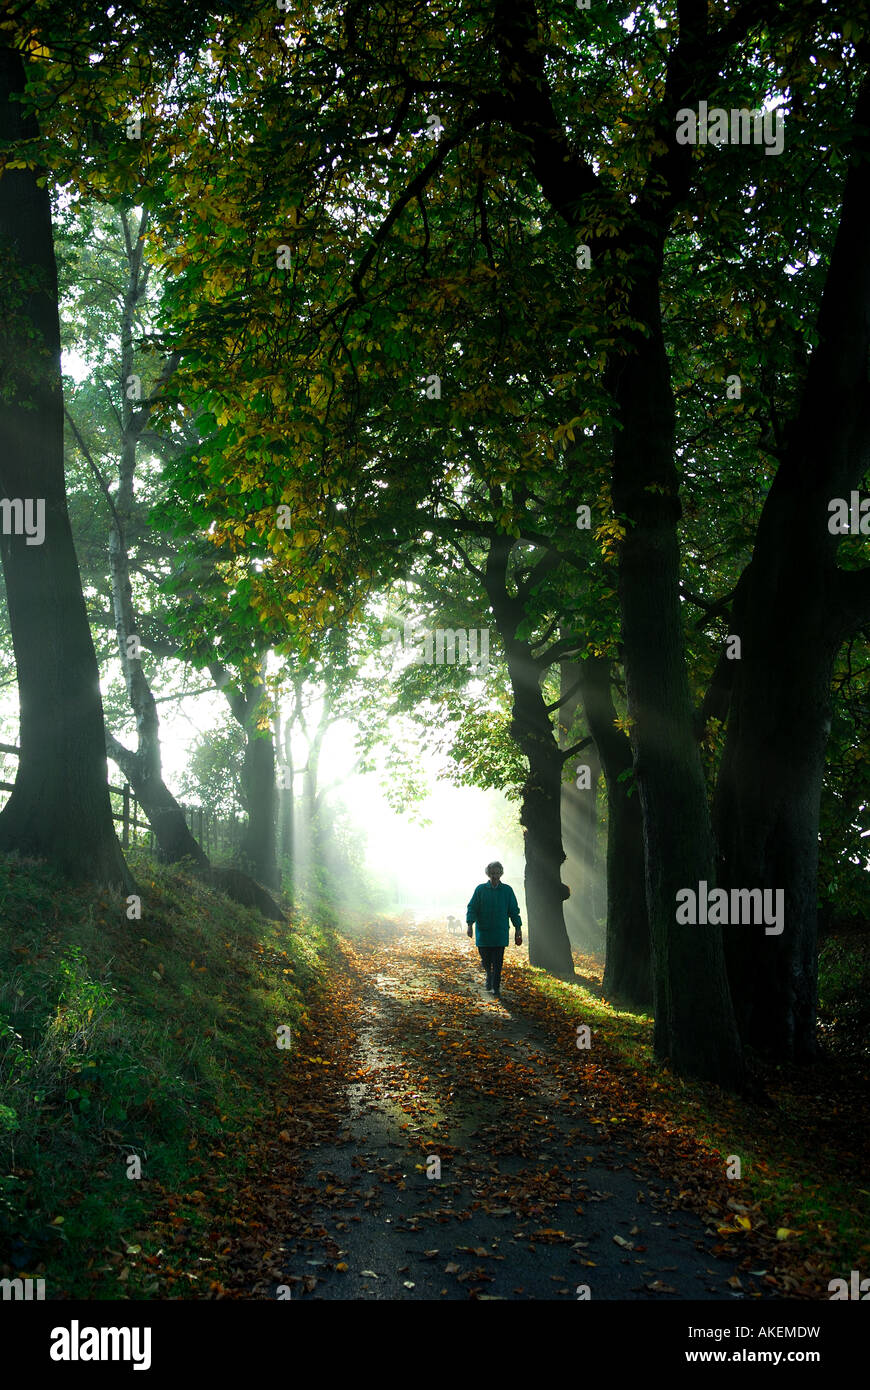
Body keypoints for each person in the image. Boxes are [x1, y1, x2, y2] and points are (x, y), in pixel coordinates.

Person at [466, 861, 522, 1000]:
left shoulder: (507, 890)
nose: (495, 876)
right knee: (486, 960)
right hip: (484, 932)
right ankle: (489, 974)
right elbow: (472, 907)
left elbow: (513, 910)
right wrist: (470, 924)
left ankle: (496, 987)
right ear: (488, 874)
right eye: (492, 873)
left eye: (497, 873)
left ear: (501, 873)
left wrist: (518, 929)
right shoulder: (480, 889)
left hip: (500, 932)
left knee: (498, 962)